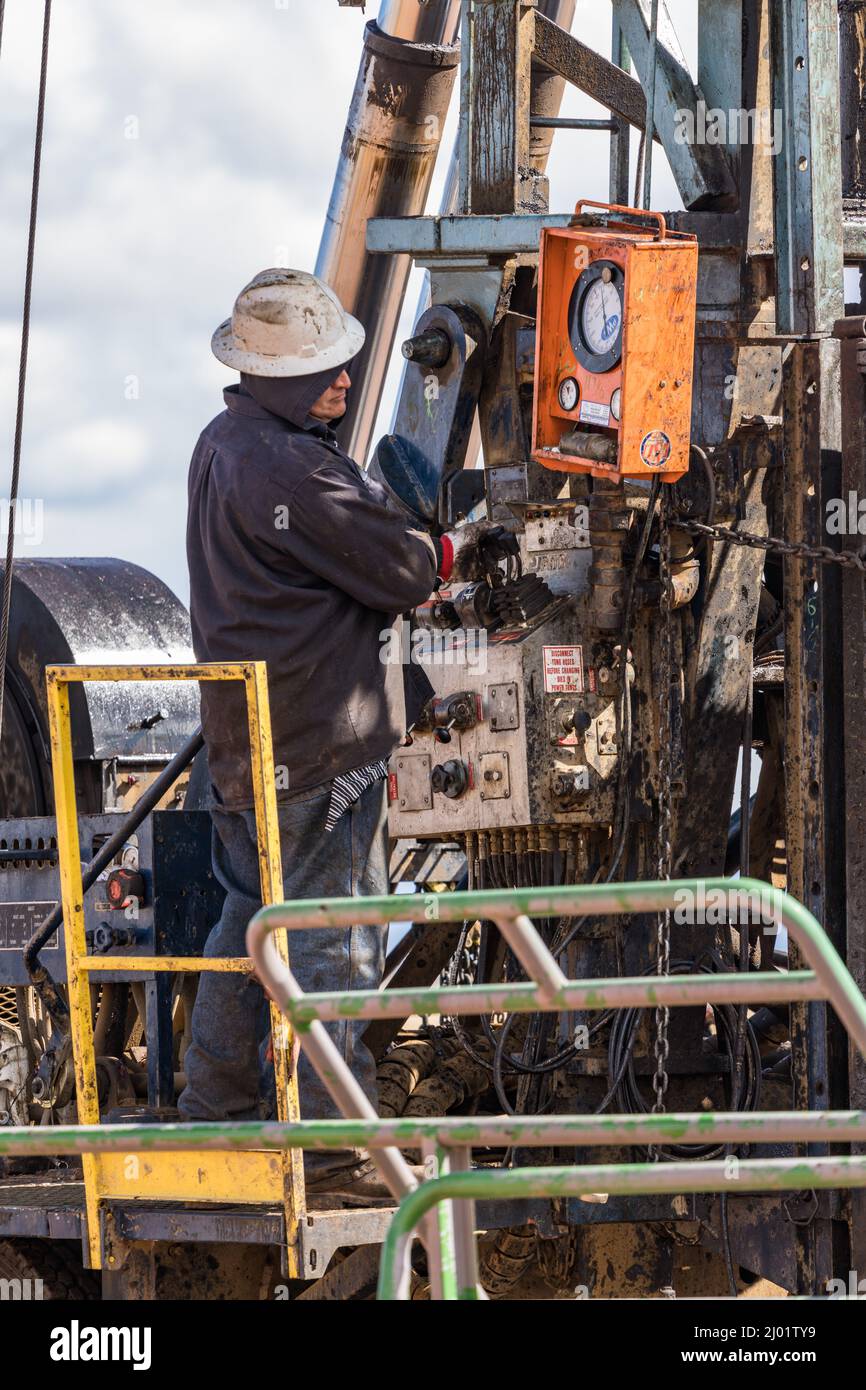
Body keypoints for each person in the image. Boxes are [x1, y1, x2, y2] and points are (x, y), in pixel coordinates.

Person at [180, 268, 451, 1201]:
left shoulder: (222, 444)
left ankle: (210, 1117)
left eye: (347, 366)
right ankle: (335, 1145)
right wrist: (436, 548)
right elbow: (404, 571)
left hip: (244, 745)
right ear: (281, 379)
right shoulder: (292, 466)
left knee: (248, 924)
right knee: (335, 937)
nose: (344, 382)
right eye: (325, 373)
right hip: (319, 744)